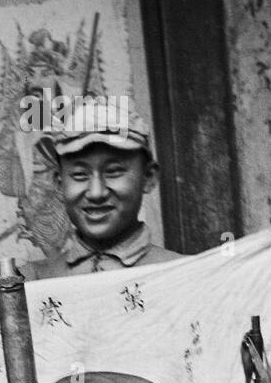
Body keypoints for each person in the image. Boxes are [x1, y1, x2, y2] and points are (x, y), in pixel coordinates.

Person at [24, 99, 180, 278]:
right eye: (80, 174)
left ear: (148, 177)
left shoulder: (186, 275)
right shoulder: (31, 281)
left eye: (113, 171)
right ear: (59, 184)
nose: (96, 193)